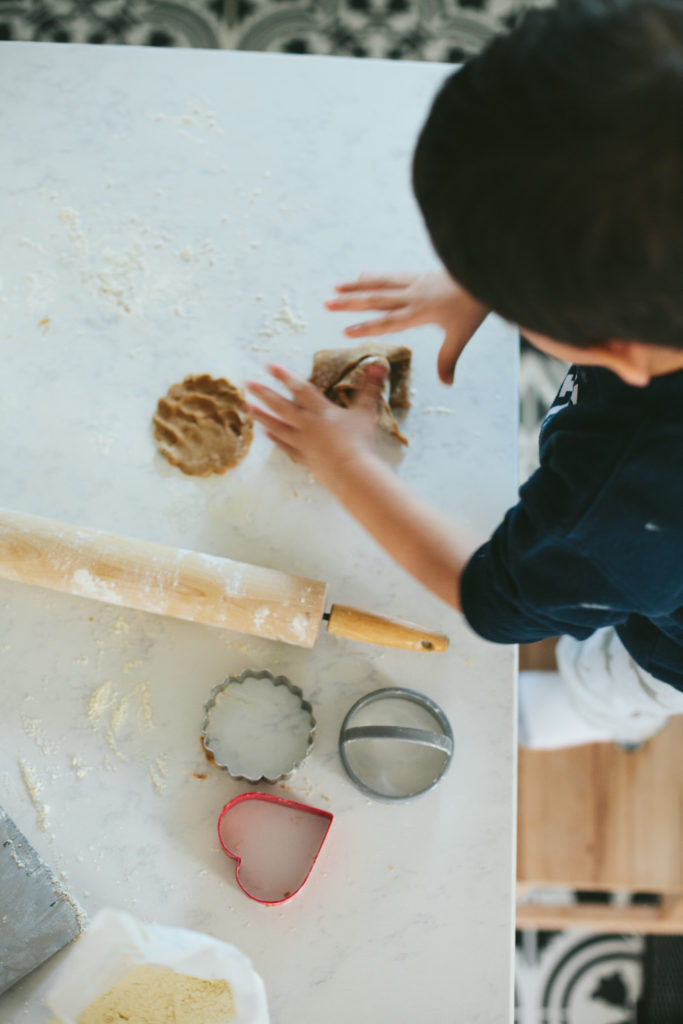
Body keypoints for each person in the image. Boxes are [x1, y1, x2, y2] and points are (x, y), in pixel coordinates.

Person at [246, 0, 683, 749]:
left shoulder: (619, 505)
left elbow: (490, 594)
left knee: (630, 675)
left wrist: (344, 462)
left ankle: (589, 711)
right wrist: (498, 277)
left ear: (616, 348)